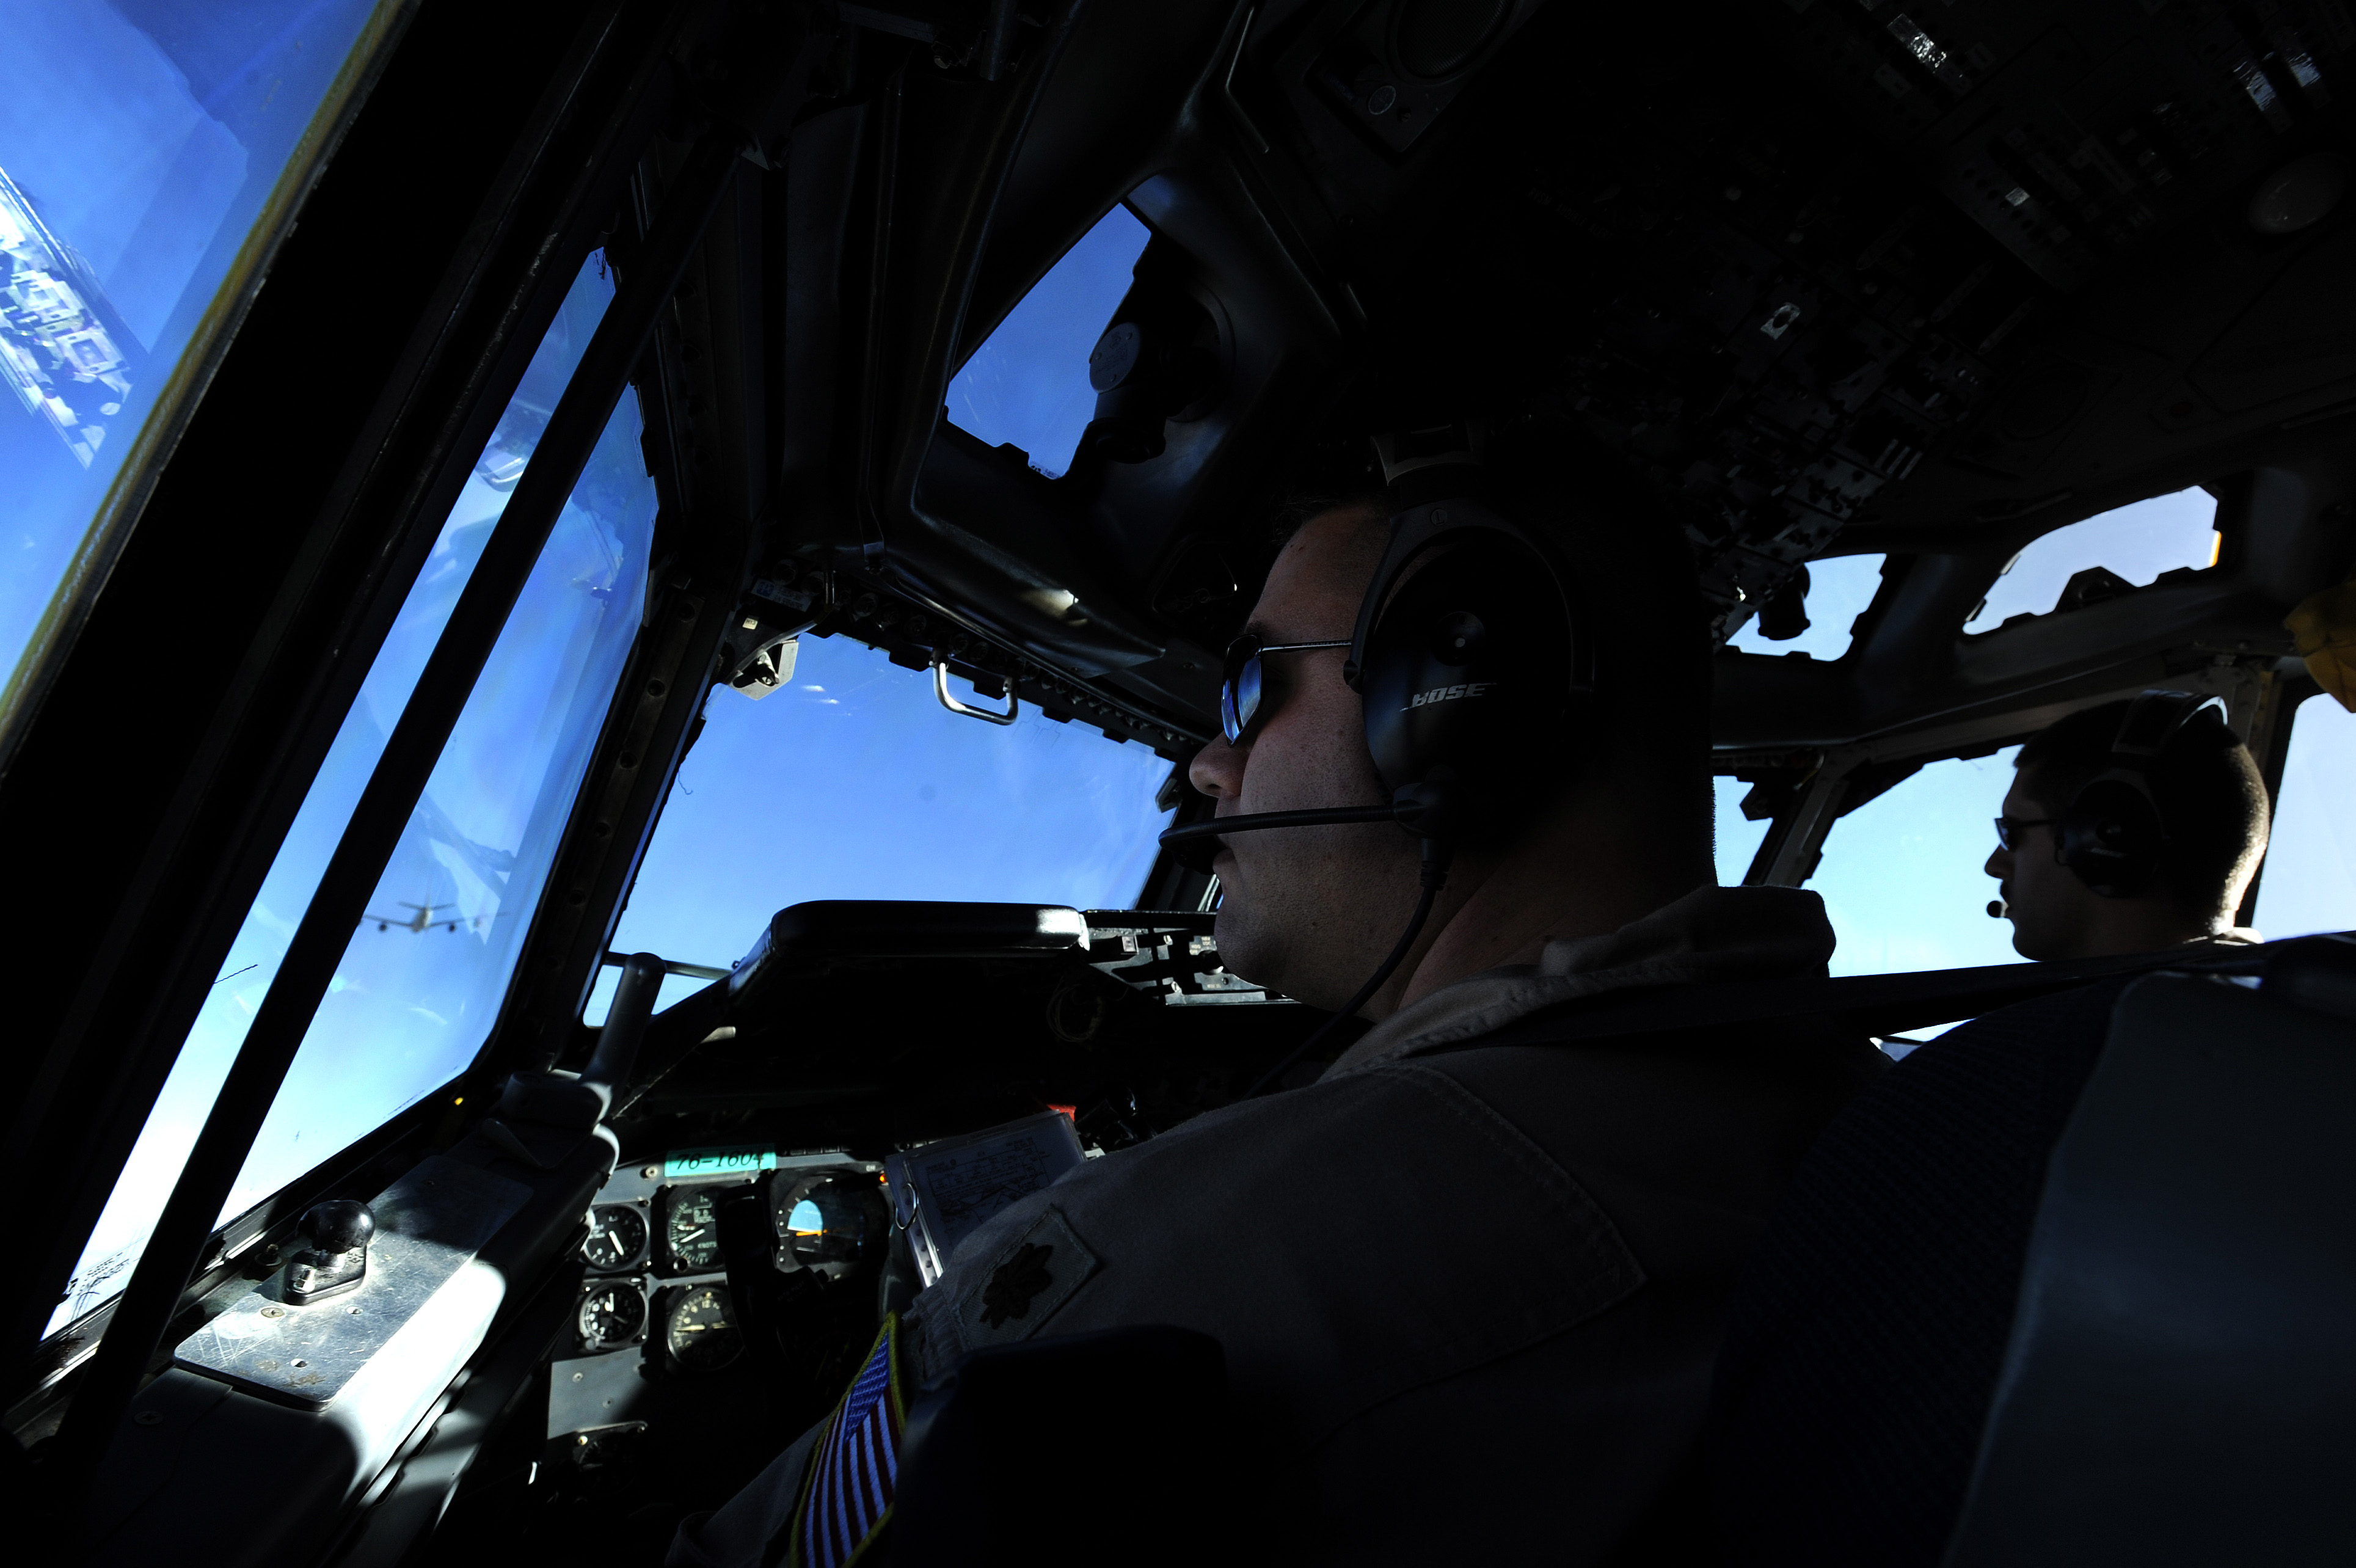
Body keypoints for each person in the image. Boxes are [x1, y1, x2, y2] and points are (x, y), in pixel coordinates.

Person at [671, 422, 1884, 1565]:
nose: (1206, 765)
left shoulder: (1215, 1254)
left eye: (1251, 686)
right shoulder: (1845, 1115)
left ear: (1459, 690)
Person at [1709, 697, 2273, 1567]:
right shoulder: (2282, 1056)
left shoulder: (1990, 1091)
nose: (1993, 860)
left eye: (2013, 832)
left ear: (2107, 836)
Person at [1986, 698, 2269, 960]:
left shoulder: (2142, 995)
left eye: (2011, 832)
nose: (1993, 866)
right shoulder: (2251, 987)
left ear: (2104, 836)